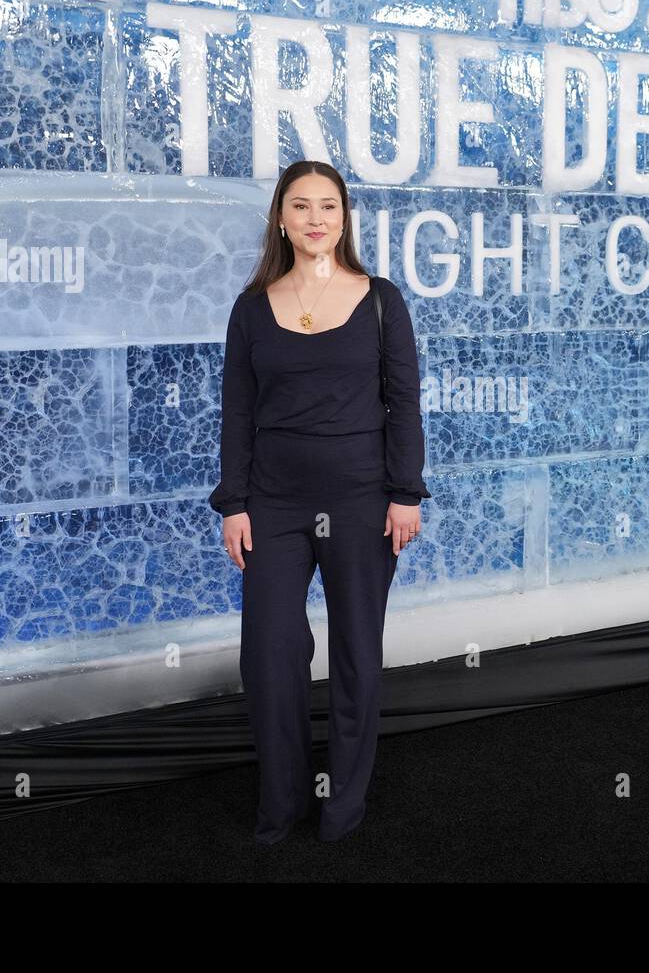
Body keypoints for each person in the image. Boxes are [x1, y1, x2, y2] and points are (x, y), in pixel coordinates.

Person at [208, 160, 431, 844]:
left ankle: (342, 810)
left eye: (328, 206)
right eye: (300, 206)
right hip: (272, 506)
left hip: (365, 502)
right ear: (281, 217)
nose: (314, 218)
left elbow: (404, 404)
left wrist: (405, 493)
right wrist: (234, 504)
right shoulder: (253, 307)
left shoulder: (381, 300)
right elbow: (237, 413)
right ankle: (280, 808)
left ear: (344, 219)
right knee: (269, 655)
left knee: (357, 654)